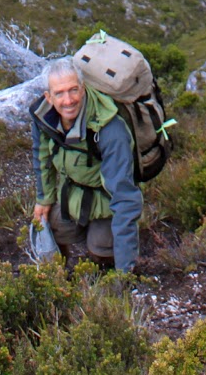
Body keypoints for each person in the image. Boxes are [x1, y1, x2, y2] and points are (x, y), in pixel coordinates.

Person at [30, 57, 141, 272]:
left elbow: (125, 198)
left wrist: (126, 271)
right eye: (59, 93)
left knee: (100, 247)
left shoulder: (110, 130)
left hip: (106, 199)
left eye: (73, 90)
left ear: (83, 89)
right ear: (48, 97)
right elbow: (41, 156)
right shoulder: (43, 118)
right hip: (73, 191)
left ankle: (103, 266)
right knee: (49, 225)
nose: (68, 100)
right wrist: (43, 199)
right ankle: (60, 277)